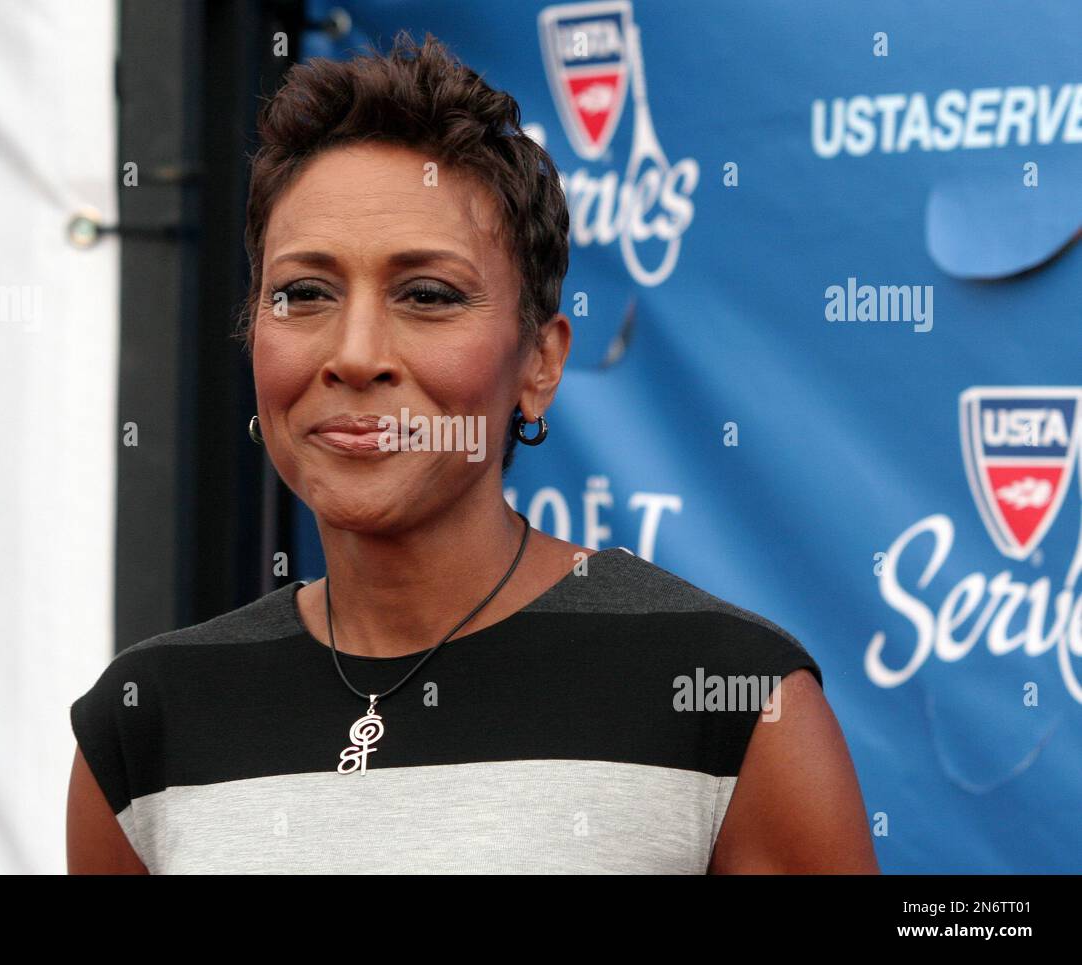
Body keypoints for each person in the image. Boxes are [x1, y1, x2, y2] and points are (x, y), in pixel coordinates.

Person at [66, 30, 878, 874]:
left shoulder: (735, 703)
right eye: (303, 292)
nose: (355, 353)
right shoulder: (143, 726)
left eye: (427, 294)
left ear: (540, 363)